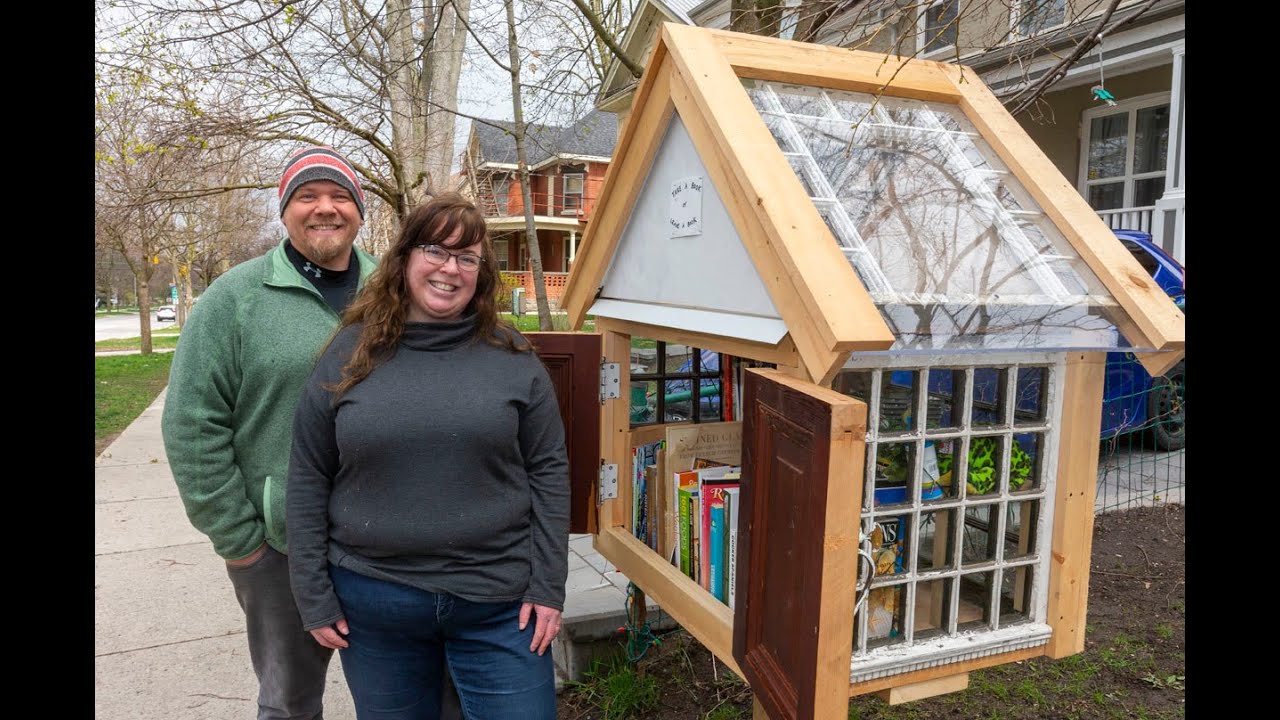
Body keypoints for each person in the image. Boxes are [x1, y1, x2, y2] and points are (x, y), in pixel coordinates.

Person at [286, 193, 570, 720]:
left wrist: (549, 585)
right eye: (435, 250)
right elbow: (307, 474)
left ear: (482, 273)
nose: (450, 268)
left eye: (467, 257)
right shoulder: (350, 351)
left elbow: (549, 471)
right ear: (405, 258)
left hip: (499, 604)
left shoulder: (512, 356)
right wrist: (312, 593)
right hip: (375, 603)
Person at [161, 145, 377, 720]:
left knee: (405, 699)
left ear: (359, 210)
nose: (324, 208)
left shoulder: (394, 290)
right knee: (288, 704)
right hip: (280, 548)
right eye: (307, 196)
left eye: (339, 196)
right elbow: (191, 422)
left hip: (389, 543)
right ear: (284, 212)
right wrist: (240, 542)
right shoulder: (233, 299)